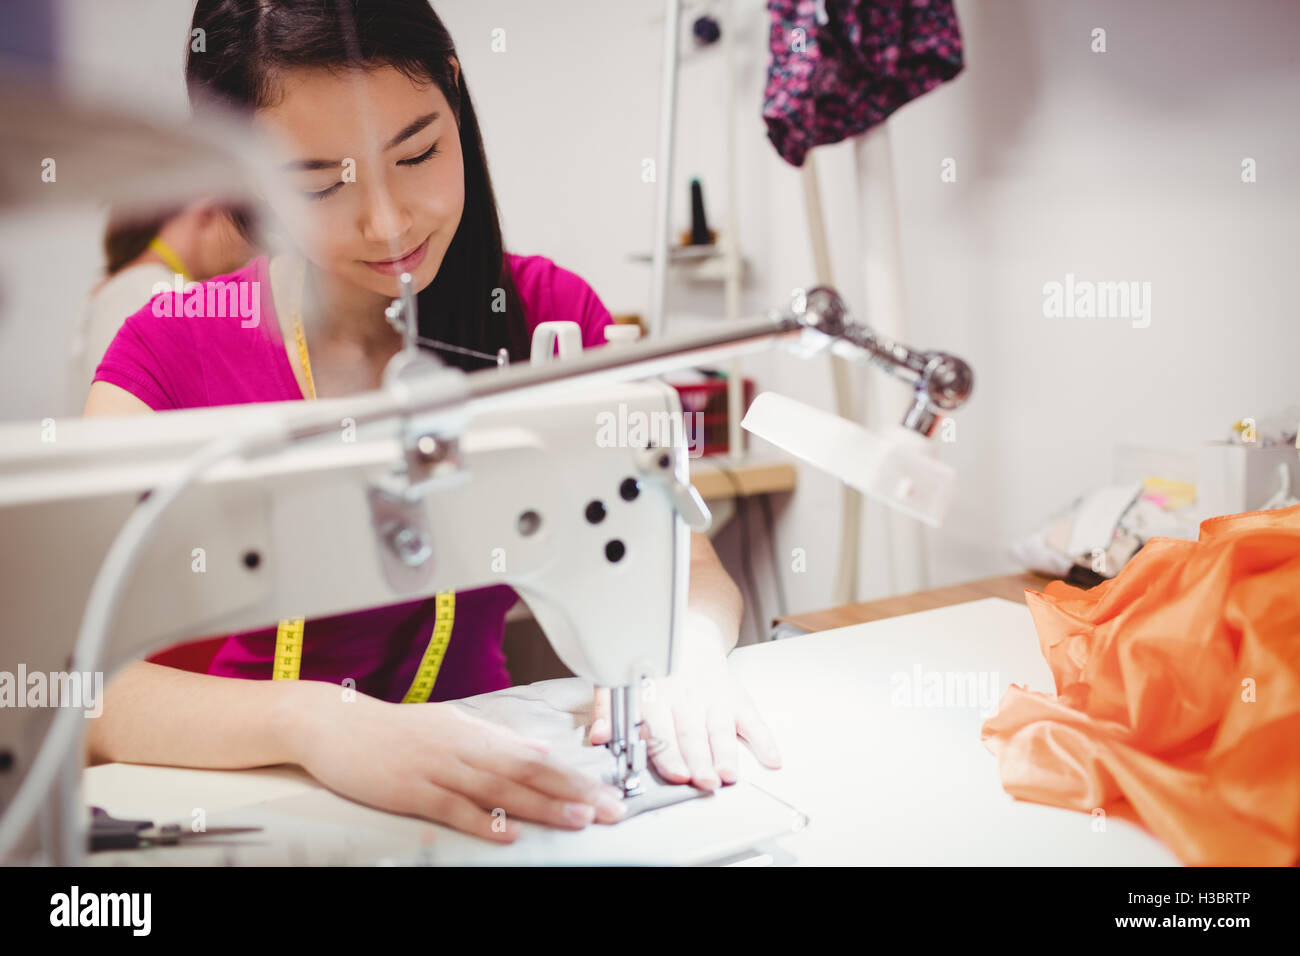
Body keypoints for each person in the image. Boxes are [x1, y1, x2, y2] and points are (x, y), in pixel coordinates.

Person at [82, 0, 780, 843]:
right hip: (253, 805)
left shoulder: (546, 319)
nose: (390, 221)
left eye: (417, 152)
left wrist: (684, 658)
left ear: (455, 95)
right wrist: (320, 725)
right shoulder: (166, 353)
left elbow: (685, 567)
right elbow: (73, 686)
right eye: (318, 181)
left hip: (485, 775)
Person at [68, 200, 253, 413]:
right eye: (242, 220)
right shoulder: (164, 297)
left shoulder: (109, 291)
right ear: (206, 211)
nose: (245, 243)